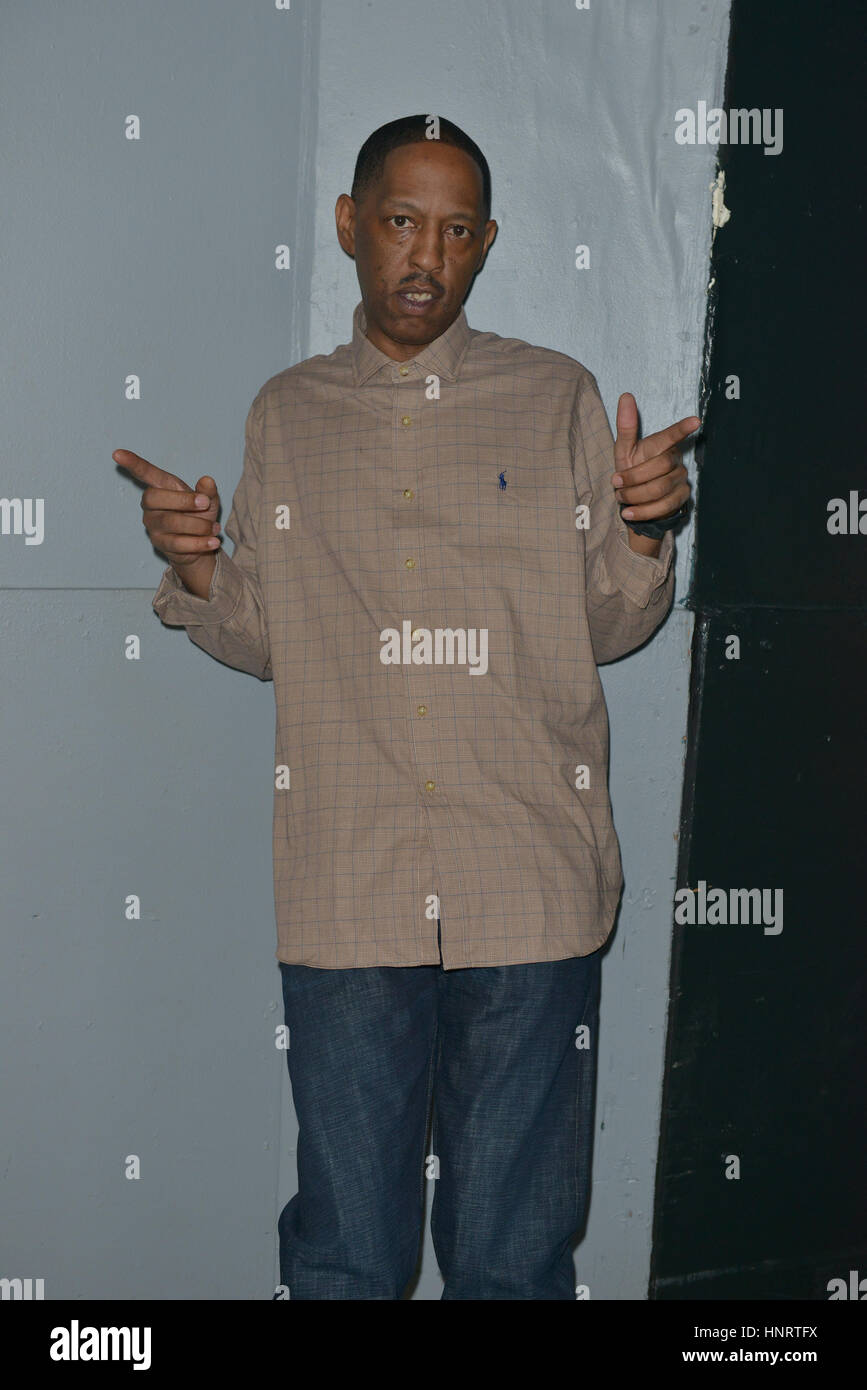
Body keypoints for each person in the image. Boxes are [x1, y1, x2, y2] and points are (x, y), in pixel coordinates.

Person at [114, 115, 697, 1300]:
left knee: (510, 1259)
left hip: (529, 883)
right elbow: (271, 638)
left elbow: (611, 625)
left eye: (456, 229)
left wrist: (642, 530)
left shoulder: (556, 398)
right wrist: (194, 568)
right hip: (351, 889)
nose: (426, 254)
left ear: (486, 245)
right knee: (346, 1257)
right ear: (349, 225)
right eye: (400, 221)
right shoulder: (287, 416)